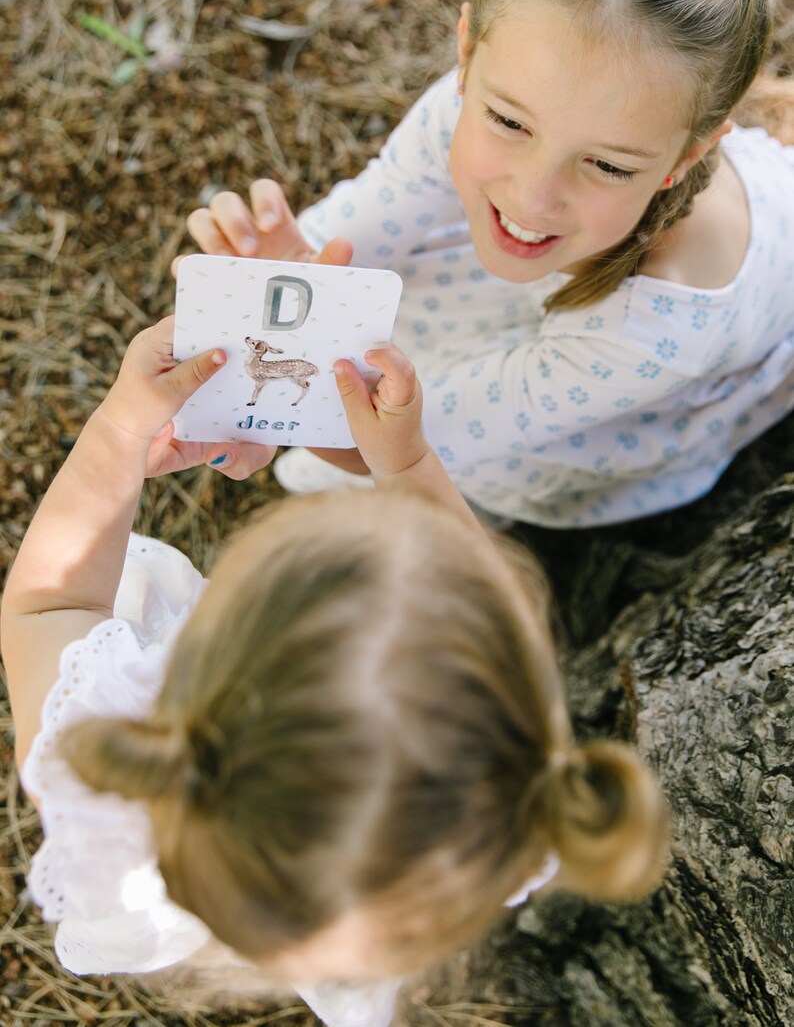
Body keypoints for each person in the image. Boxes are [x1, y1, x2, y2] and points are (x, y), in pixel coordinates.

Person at [2, 319, 667, 1027]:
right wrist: (405, 463)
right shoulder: (485, 791)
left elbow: (54, 598)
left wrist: (119, 429)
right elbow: (480, 600)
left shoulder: (99, 765)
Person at [184, 0, 794, 527]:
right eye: (508, 122)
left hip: (623, 374)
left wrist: (285, 409)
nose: (532, 197)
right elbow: (354, 235)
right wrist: (287, 267)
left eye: (608, 165)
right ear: (468, 51)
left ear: (692, 152)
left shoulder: (657, 331)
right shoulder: (488, 100)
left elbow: (412, 447)